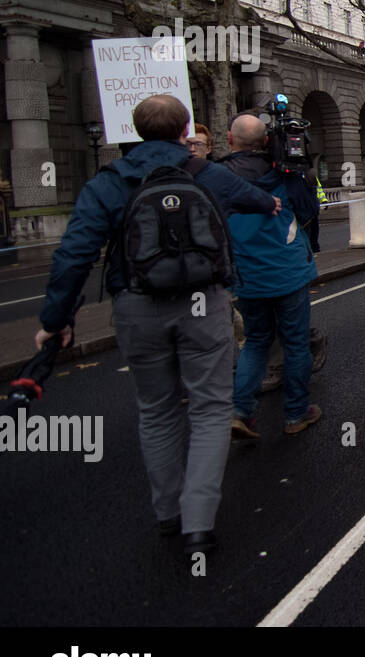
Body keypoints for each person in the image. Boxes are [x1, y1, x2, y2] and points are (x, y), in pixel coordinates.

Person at [36, 95, 280, 554]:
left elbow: (73, 255)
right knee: (209, 411)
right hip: (202, 304)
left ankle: (167, 512)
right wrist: (269, 205)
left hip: (136, 305)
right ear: (185, 128)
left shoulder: (109, 181)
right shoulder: (208, 174)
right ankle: (198, 523)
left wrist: (56, 321)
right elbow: (259, 198)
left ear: (134, 129)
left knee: (157, 409)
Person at [222, 114, 323, 441]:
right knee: (295, 345)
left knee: (255, 342)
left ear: (229, 140)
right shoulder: (286, 173)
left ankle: (240, 411)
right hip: (287, 271)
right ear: (267, 141)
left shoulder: (218, 175)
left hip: (247, 274)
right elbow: (309, 212)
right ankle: (295, 413)